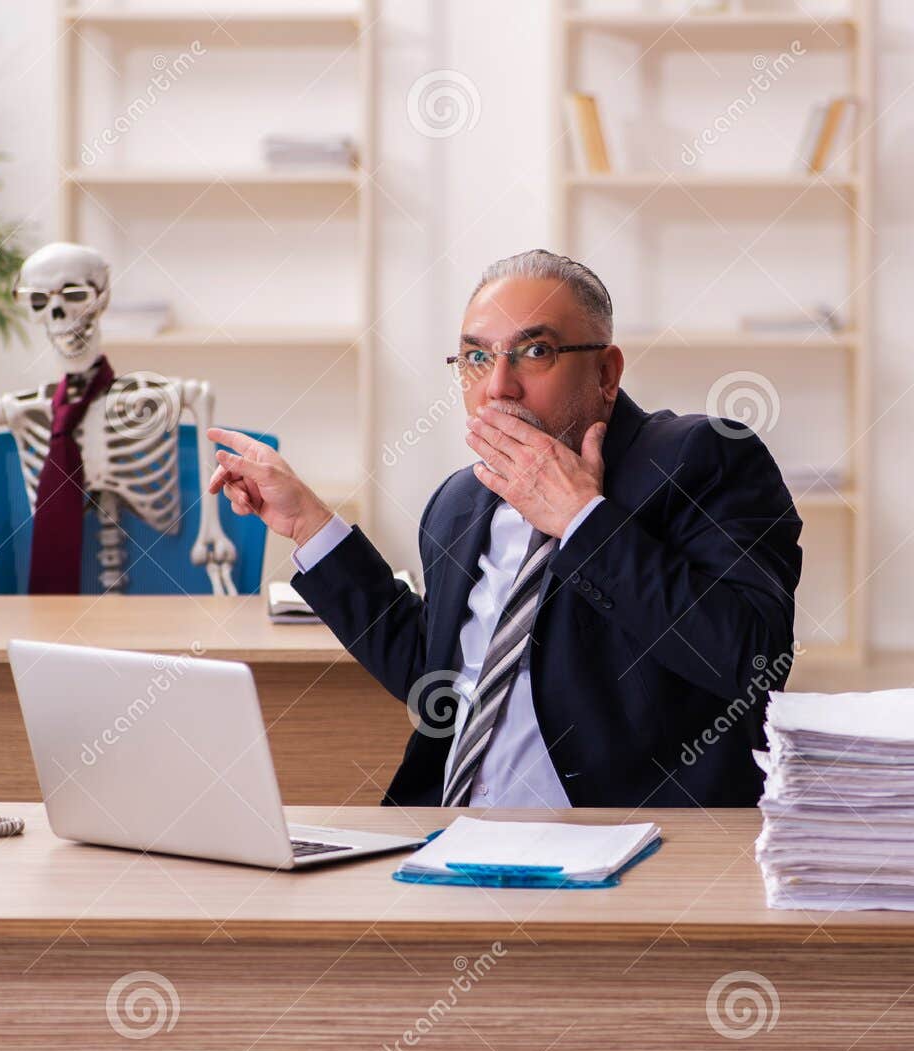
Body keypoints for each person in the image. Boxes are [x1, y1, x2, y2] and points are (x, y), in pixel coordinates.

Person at [207, 249, 801, 807]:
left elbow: (752, 660)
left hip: (623, 840)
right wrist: (308, 524)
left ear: (606, 372)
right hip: (452, 829)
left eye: (534, 352)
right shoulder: (459, 501)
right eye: (476, 358)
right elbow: (434, 674)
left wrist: (581, 519)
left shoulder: (701, 457)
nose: (498, 387)